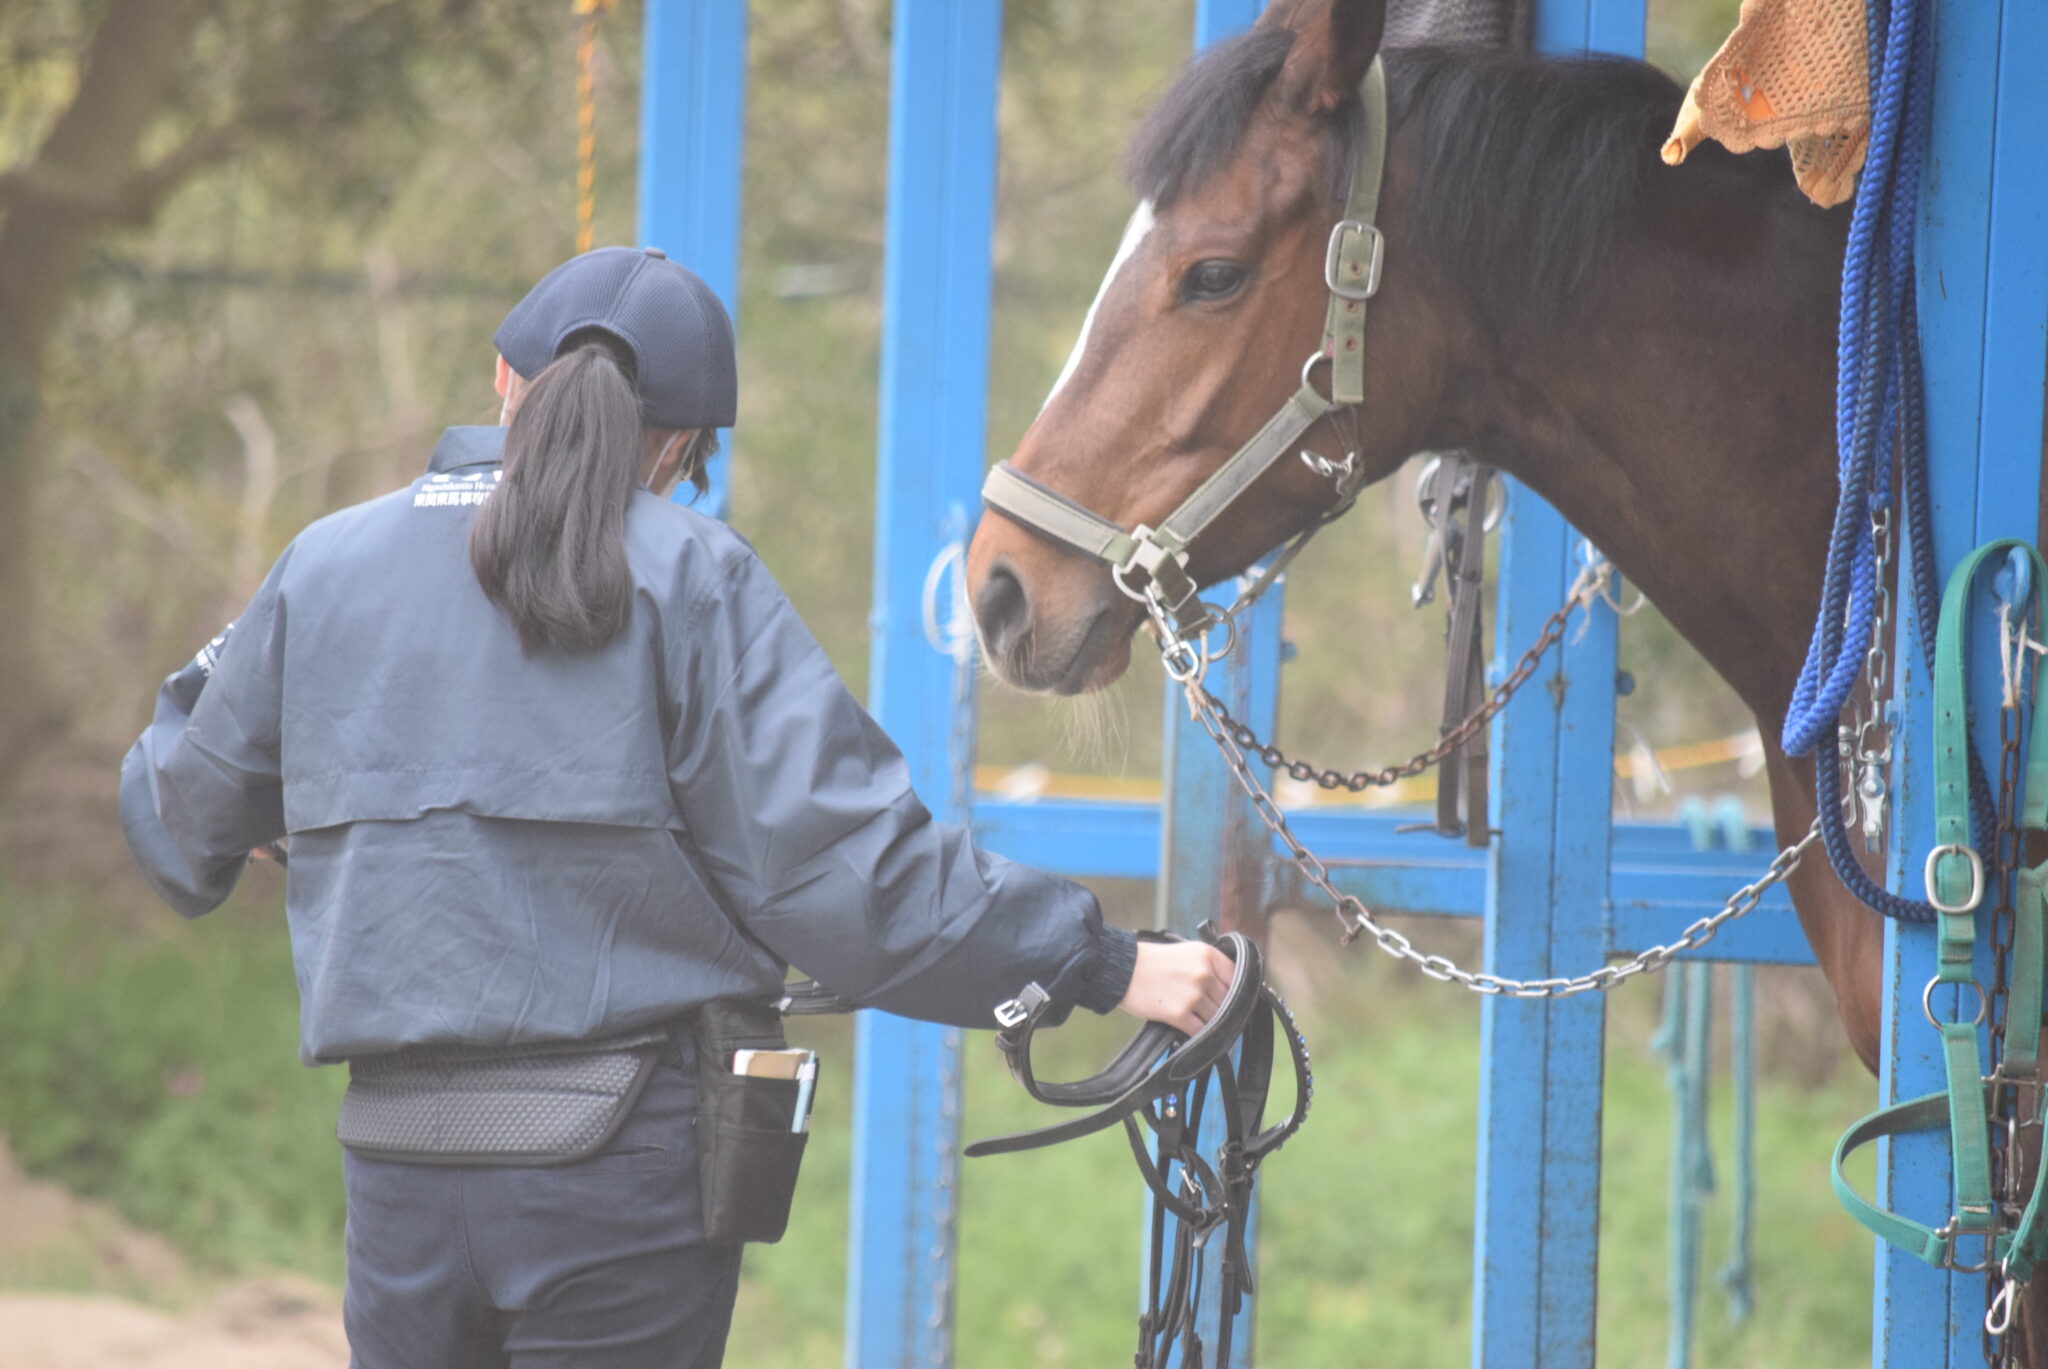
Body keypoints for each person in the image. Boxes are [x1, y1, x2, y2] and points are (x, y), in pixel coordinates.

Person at [119, 245, 1235, 1369]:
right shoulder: (692, 574)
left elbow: (180, 811)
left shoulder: (323, 564)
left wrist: (310, 816)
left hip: (398, 1171)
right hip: (622, 1174)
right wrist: (1105, 962)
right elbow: (848, 875)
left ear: (505, 382)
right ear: (681, 451)